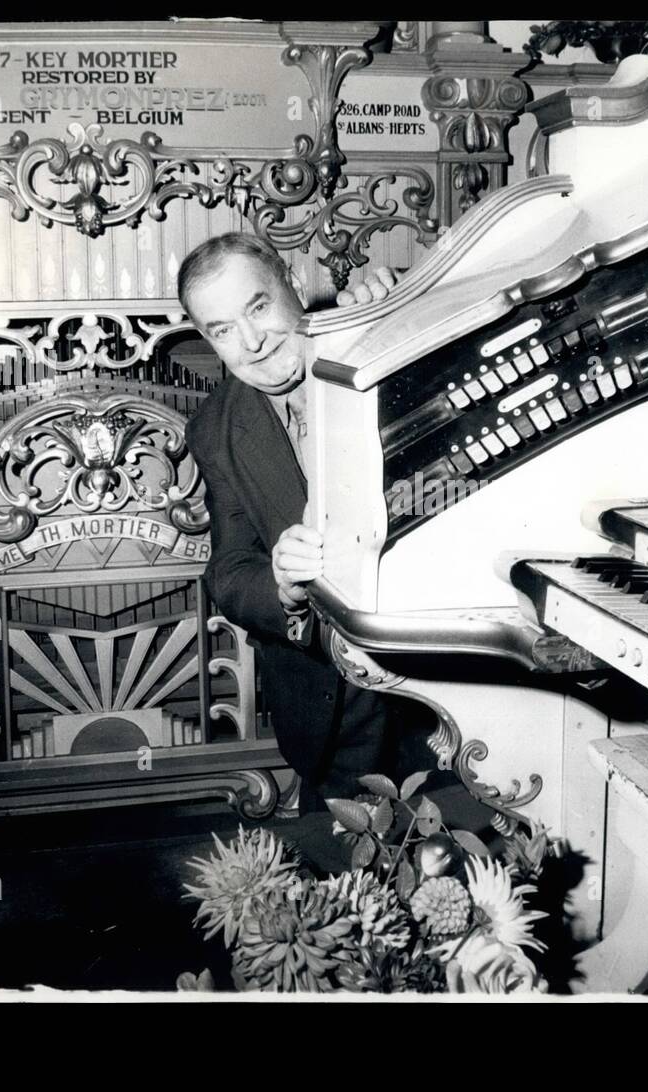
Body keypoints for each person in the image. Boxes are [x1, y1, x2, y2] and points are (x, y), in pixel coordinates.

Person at [179, 233, 401, 815]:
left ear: (295, 287)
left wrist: (398, 314)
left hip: (438, 698)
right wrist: (280, 585)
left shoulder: (378, 336)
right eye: (222, 329)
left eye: (258, 307)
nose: (251, 343)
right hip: (332, 718)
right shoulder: (215, 428)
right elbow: (228, 571)